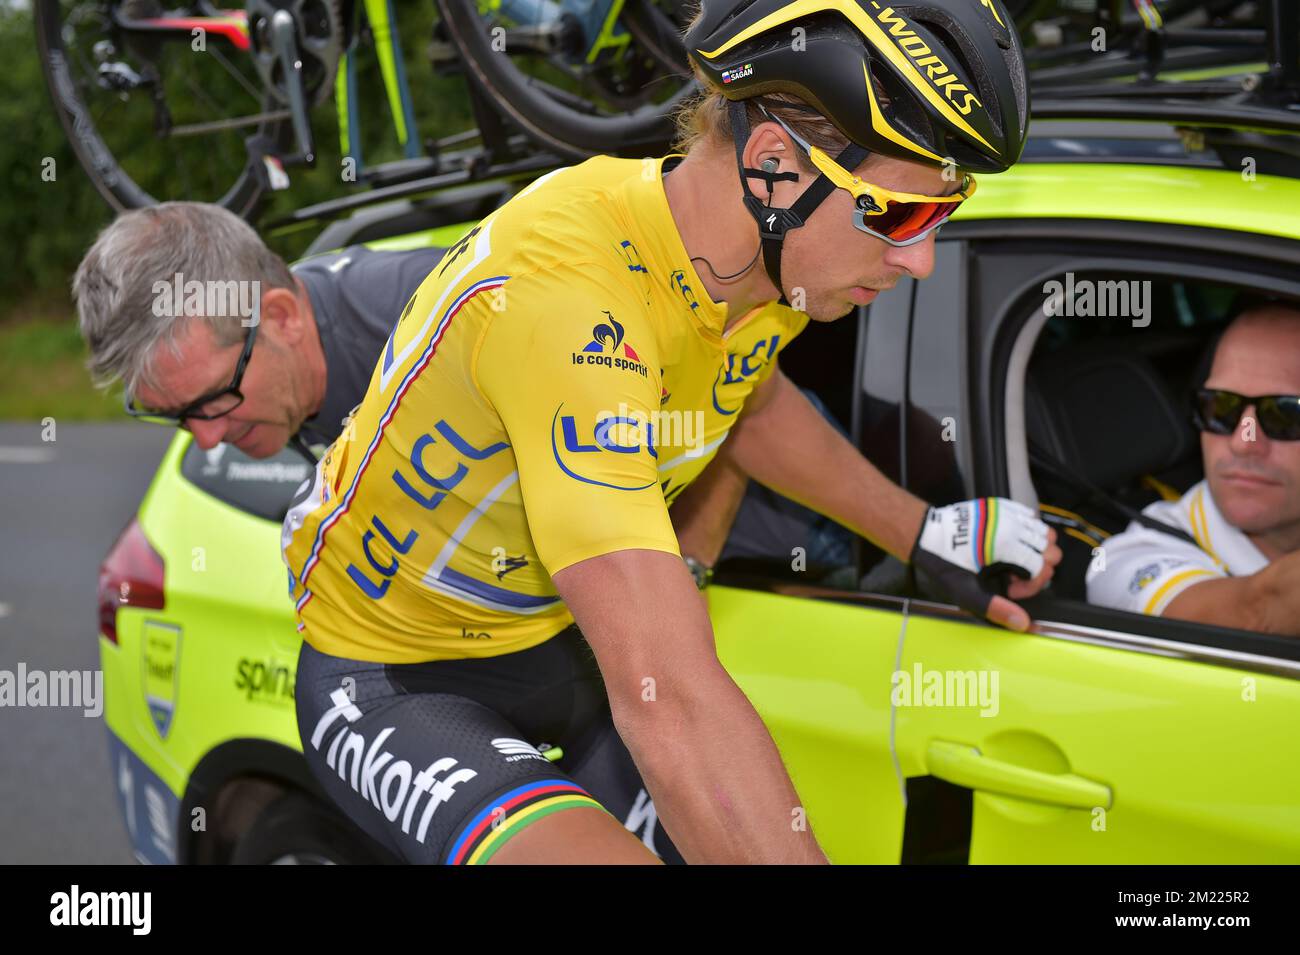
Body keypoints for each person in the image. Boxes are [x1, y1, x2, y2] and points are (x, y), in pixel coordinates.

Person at [283, 0, 1059, 865]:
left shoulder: (766, 263)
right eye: (899, 216)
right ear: (773, 168)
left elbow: (750, 407)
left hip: (556, 647)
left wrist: (918, 533)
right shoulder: (569, 298)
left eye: (943, 214)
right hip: (399, 673)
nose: (921, 258)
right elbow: (673, 700)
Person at [71, 202, 448, 460]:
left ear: (282, 317)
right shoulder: (277, 377)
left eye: (216, 397)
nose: (207, 439)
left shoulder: (438, 322)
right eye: (176, 415)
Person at [1086, 304, 1300, 636]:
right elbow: (1257, 612)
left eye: (1286, 414)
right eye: (1220, 408)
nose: (1243, 442)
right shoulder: (1131, 556)